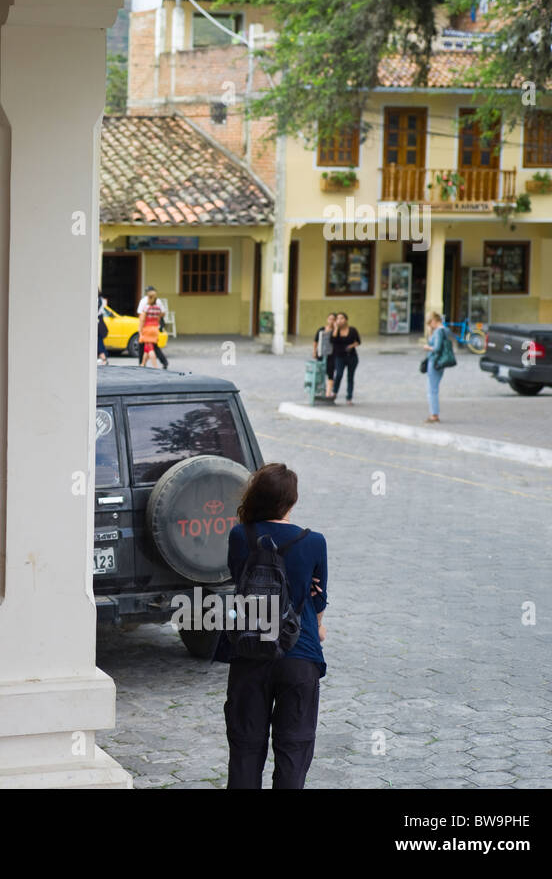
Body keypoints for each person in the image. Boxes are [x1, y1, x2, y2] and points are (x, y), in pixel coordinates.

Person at [215, 463, 328, 789]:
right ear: (291, 501)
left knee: (245, 748)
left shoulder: (240, 536)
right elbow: (318, 601)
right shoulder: (314, 542)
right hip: (300, 653)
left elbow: (241, 579)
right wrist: (315, 619)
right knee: (294, 748)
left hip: (250, 649)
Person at [326, 312, 361, 404]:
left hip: (351, 357)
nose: (339, 320)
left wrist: (351, 346)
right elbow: (332, 340)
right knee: (339, 374)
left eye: (342, 318)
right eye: (337, 319)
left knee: (350, 377)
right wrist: (336, 328)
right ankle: (334, 392)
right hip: (339, 357)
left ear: (346, 320)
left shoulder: (352, 330)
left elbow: (358, 341)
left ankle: (349, 397)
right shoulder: (335, 331)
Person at [424, 310, 449, 423]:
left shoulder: (439, 331)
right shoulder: (444, 330)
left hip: (434, 362)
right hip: (439, 363)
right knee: (433, 388)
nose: (429, 325)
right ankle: (434, 413)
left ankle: (434, 414)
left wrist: (427, 347)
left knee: (432, 389)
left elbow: (437, 348)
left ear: (434, 321)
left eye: (430, 323)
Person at [136, 287, 168, 369]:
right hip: (155, 328)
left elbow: (142, 318)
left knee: (149, 348)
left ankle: (155, 366)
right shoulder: (157, 306)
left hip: (147, 329)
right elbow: (161, 315)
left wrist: (140, 329)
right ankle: (142, 364)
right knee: (148, 347)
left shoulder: (146, 306)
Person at [96, 290, 110, 365]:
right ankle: (103, 358)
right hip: (100, 321)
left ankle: (103, 358)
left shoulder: (97, 300)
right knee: (99, 340)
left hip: (97, 322)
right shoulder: (102, 300)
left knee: (98, 340)